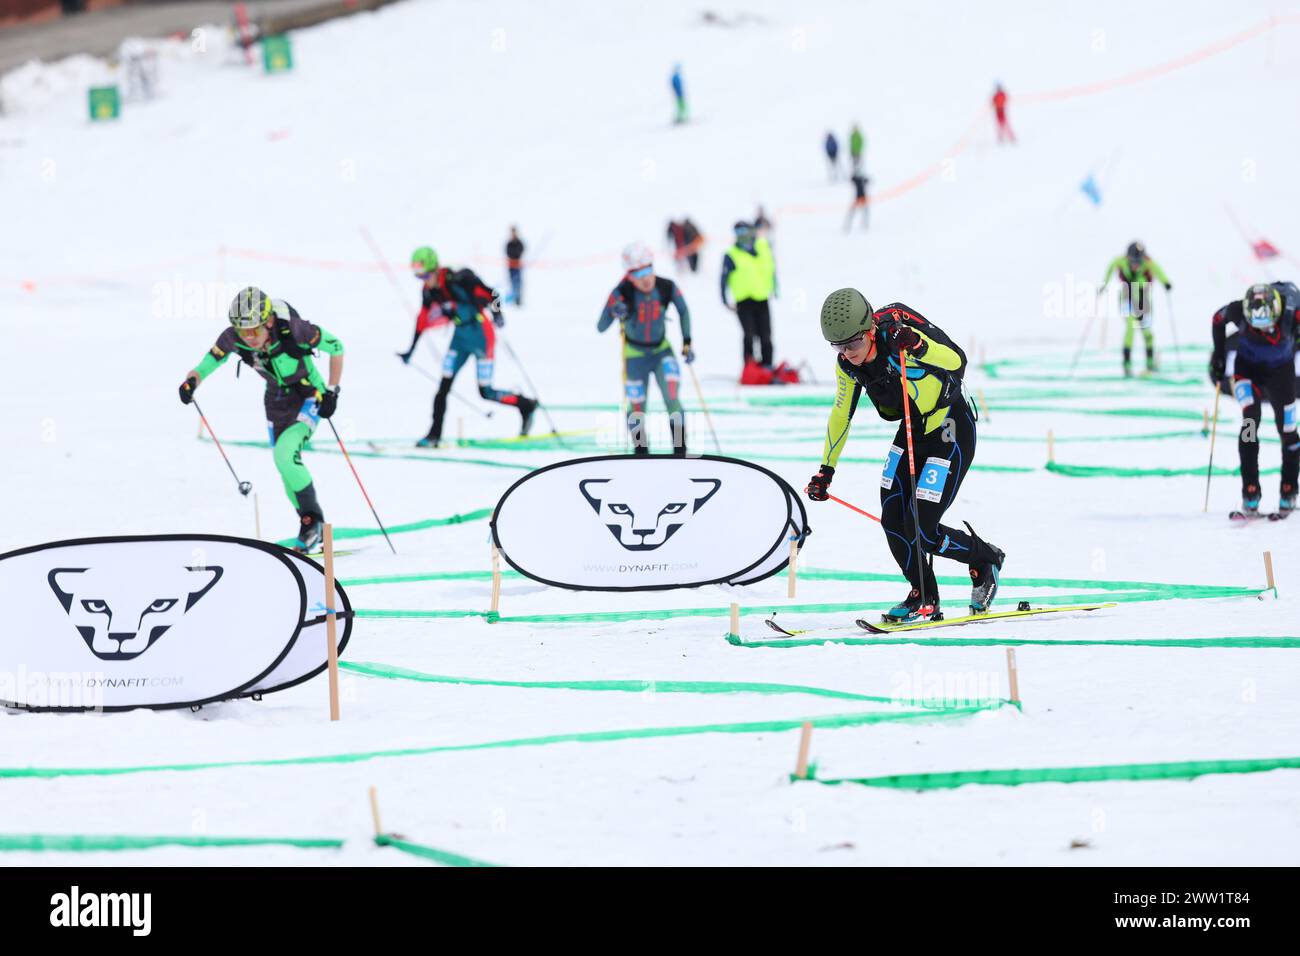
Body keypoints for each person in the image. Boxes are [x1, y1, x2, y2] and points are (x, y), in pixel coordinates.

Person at [805, 290, 1004, 623]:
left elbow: (958, 362)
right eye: (837, 347)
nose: (846, 354)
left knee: (922, 528)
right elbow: (841, 414)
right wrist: (826, 470)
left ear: (869, 331)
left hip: (950, 428)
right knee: (892, 517)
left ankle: (984, 559)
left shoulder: (899, 333)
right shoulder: (848, 365)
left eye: (851, 345)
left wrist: (918, 346)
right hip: (913, 432)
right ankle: (922, 594)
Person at [179, 287, 343, 553]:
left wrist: (332, 391)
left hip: (309, 395)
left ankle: (315, 522)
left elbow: (337, 346)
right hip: (276, 402)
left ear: (268, 321)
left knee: (285, 455)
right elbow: (211, 360)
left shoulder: (296, 330)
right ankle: (309, 523)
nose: (250, 337)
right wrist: (192, 381)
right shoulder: (234, 337)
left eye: (255, 329)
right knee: (285, 469)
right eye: (244, 332)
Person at [398, 246, 537, 447]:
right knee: (443, 388)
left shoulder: (460, 279)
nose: (424, 280)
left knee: (485, 392)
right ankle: (433, 435)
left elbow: (494, 295)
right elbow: (422, 320)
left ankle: (526, 405)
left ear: (435, 268)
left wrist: (498, 314)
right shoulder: (429, 292)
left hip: (481, 336)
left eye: (425, 274)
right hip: (459, 339)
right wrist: (410, 350)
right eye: (418, 276)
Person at [1210, 281, 1300, 516]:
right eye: (1256, 325)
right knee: (1250, 421)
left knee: (1288, 430)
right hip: (1247, 372)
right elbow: (1217, 320)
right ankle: (1250, 491)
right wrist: (1219, 356)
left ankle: (1289, 490)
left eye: (1269, 324)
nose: (1264, 329)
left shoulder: (1293, 312)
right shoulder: (1238, 309)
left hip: (1281, 375)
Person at [597, 243, 693, 455]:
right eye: (638, 273)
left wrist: (687, 342)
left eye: (648, 270)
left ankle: (680, 450)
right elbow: (600, 327)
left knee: (672, 398)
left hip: (661, 352)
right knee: (637, 407)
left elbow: (684, 310)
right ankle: (641, 451)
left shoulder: (666, 286)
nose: (645, 278)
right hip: (635, 357)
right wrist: (614, 311)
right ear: (629, 275)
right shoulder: (621, 292)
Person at [1101, 240, 1172, 377]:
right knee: (1130, 329)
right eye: (1133, 261)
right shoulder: (1120, 261)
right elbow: (1110, 267)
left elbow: (1158, 271)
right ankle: (1127, 365)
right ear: (1127, 258)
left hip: (1143, 298)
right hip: (1127, 297)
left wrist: (1166, 283)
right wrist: (1104, 284)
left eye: (1138, 262)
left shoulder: (1148, 263)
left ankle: (1150, 362)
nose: (1135, 265)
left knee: (1146, 331)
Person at [721, 220, 777, 375]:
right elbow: (723, 278)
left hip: (762, 298)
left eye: (744, 231)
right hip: (743, 301)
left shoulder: (763, 246)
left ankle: (767, 367)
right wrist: (724, 300)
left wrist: (775, 288)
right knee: (749, 335)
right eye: (738, 233)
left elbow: (771, 267)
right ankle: (749, 368)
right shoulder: (731, 254)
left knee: (766, 336)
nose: (741, 236)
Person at [504, 226, 525, 306]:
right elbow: (509, 253)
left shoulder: (519, 243)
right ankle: (513, 299)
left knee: (518, 283)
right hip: (511, 267)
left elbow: (520, 251)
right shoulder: (509, 243)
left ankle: (518, 300)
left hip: (518, 266)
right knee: (512, 283)